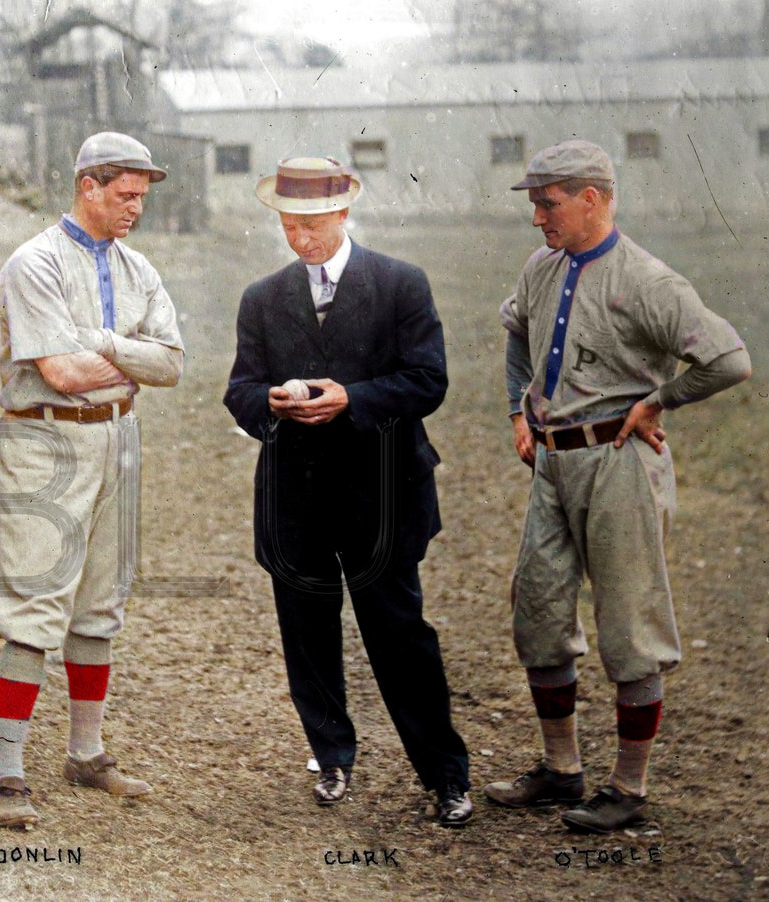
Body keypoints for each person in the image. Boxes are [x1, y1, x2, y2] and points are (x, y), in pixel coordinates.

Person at [487, 139, 751, 834]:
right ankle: (561, 769)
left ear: (591, 199)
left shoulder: (649, 280)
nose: (538, 218)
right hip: (552, 462)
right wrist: (520, 409)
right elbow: (516, 331)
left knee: (631, 627)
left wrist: (659, 400)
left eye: (548, 203)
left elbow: (728, 360)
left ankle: (628, 787)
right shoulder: (543, 268)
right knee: (538, 614)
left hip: (621, 460)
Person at [223, 156, 473, 827]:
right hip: (294, 499)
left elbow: (429, 381)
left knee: (399, 636)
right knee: (307, 635)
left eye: (312, 222)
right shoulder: (263, 298)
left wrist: (351, 399)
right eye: (288, 223)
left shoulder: (398, 284)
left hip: (382, 494)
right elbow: (239, 389)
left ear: (343, 212)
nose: (300, 236)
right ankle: (331, 756)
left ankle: (444, 773)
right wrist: (269, 403)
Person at [0, 132, 183, 829]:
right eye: (125, 195)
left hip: (117, 436)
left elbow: (173, 364)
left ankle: (86, 752)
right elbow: (60, 376)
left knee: (101, 602)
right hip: (45, 439)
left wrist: (100, 343)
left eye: (142, 198)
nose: (136, 209)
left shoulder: (139, 268)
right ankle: (7, 771)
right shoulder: (34, 262)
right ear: (87, 186)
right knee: (36, 605)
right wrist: (131, 357)